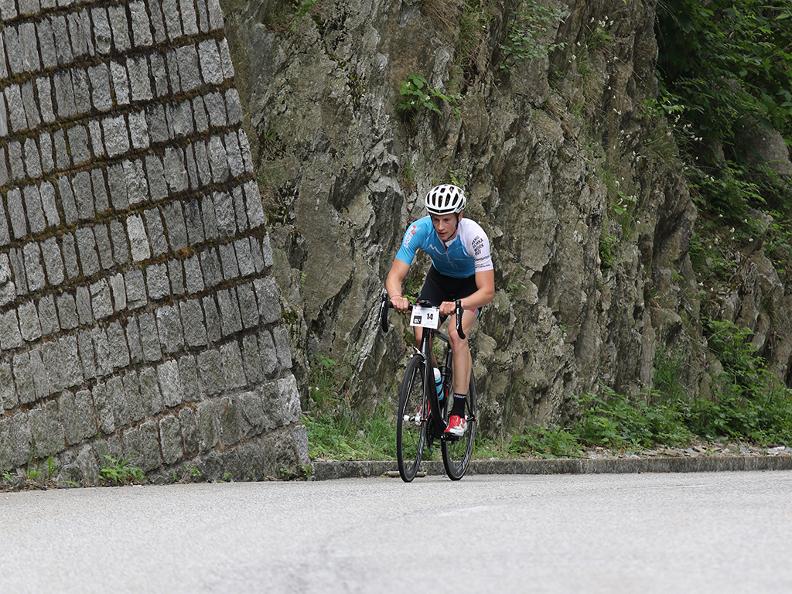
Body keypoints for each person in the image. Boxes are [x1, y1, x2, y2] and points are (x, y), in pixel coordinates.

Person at [385, 183, 495, 437]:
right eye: (435, 219)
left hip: (470, 287)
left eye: (446, 220)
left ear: (460, 216)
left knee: (457, 335)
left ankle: (458, 413)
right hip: (438, 281)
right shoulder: (419, 230)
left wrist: (458, 305)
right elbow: (395, 274)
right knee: (421, 333)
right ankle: (435, 382)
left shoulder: (474, 236)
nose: (440, 226)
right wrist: (396, 296)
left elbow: (487, 291)